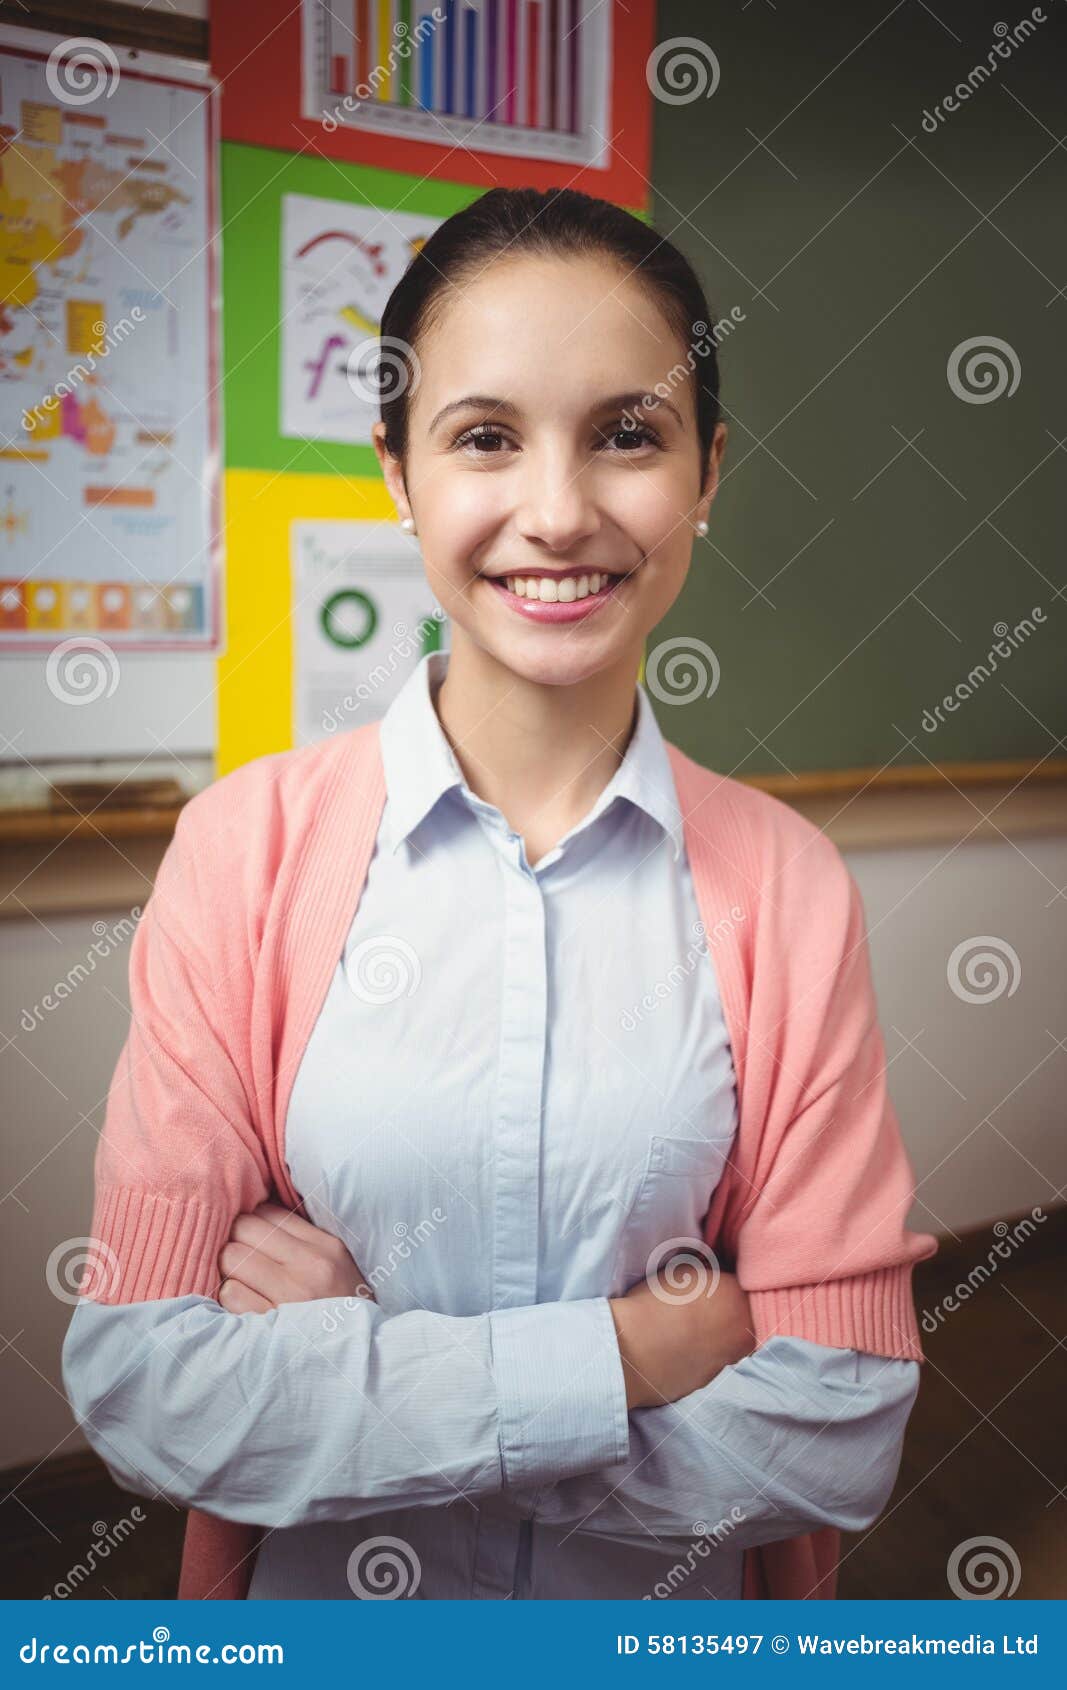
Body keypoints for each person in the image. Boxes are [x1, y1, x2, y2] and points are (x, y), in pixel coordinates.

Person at [62, 186, 937, 1601]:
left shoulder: (787, 885)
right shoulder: (246, 852)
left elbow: (836, 1427)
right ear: (400, 474)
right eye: (484, 437)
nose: (557, 510)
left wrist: (367, 1349)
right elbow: (148, 1390)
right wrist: (628, 1358)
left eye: (627, 435)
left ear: (706, 473)